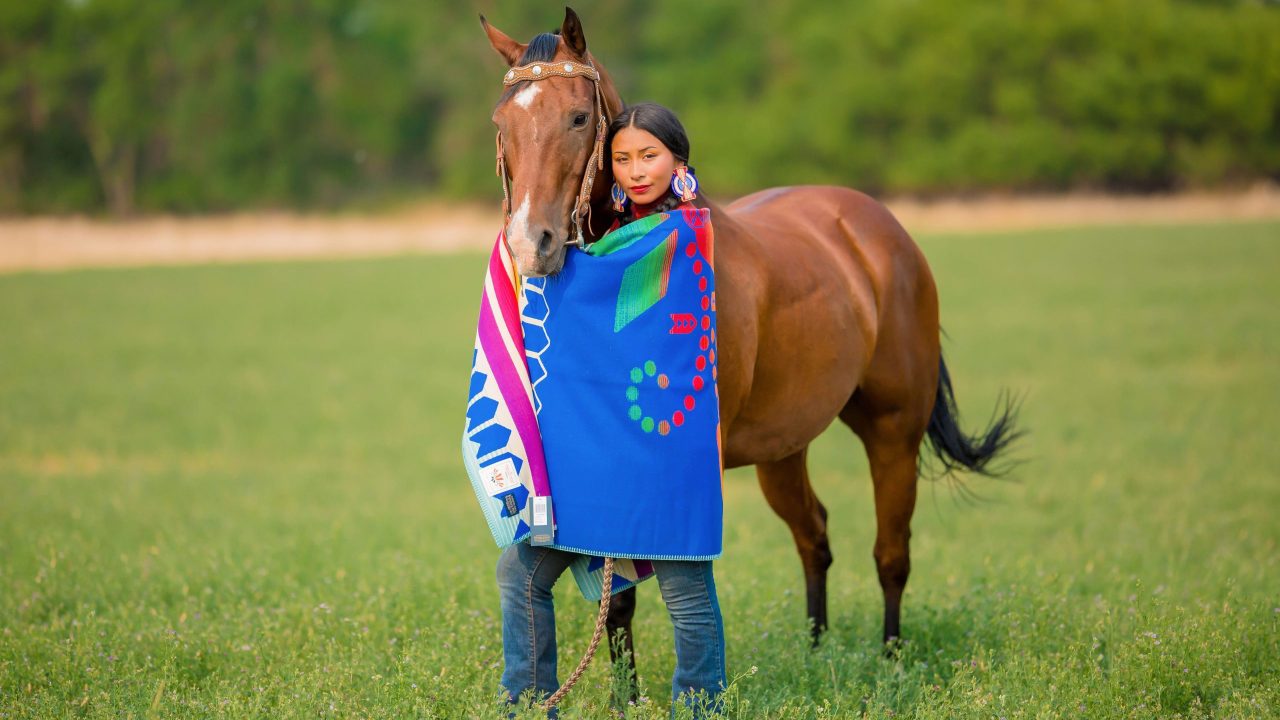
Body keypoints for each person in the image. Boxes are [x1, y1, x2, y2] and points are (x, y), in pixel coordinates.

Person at [497, 103, 725, 719]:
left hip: (664, 451)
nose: (635, 171)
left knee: (686, 592)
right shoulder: (598, 243)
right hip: (595, 459)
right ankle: (526, 703)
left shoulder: (686, 236)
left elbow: (610, 307)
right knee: (520, 572)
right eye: (622, 159)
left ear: (679, 159)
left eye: (649, 156)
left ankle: (701, 709)